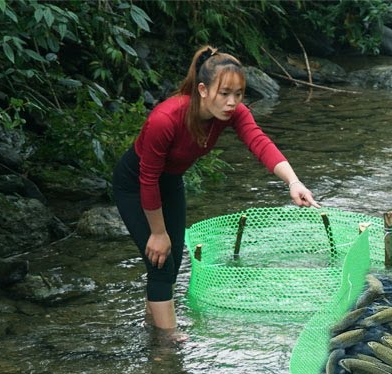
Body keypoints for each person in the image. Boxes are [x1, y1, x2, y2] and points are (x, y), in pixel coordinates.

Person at [113, 45, 319, 336]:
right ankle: (168, 342)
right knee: (160, 261)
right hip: (135, 186)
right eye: (224, 94)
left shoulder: (232, 113)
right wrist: (157, 233)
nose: (232, 102)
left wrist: (293, 181)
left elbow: (259, 142)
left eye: (238, 94)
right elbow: (148, 179)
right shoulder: (165, 119)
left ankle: (153, 326)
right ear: (203, 90)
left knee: (172, 263)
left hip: (170, 182)